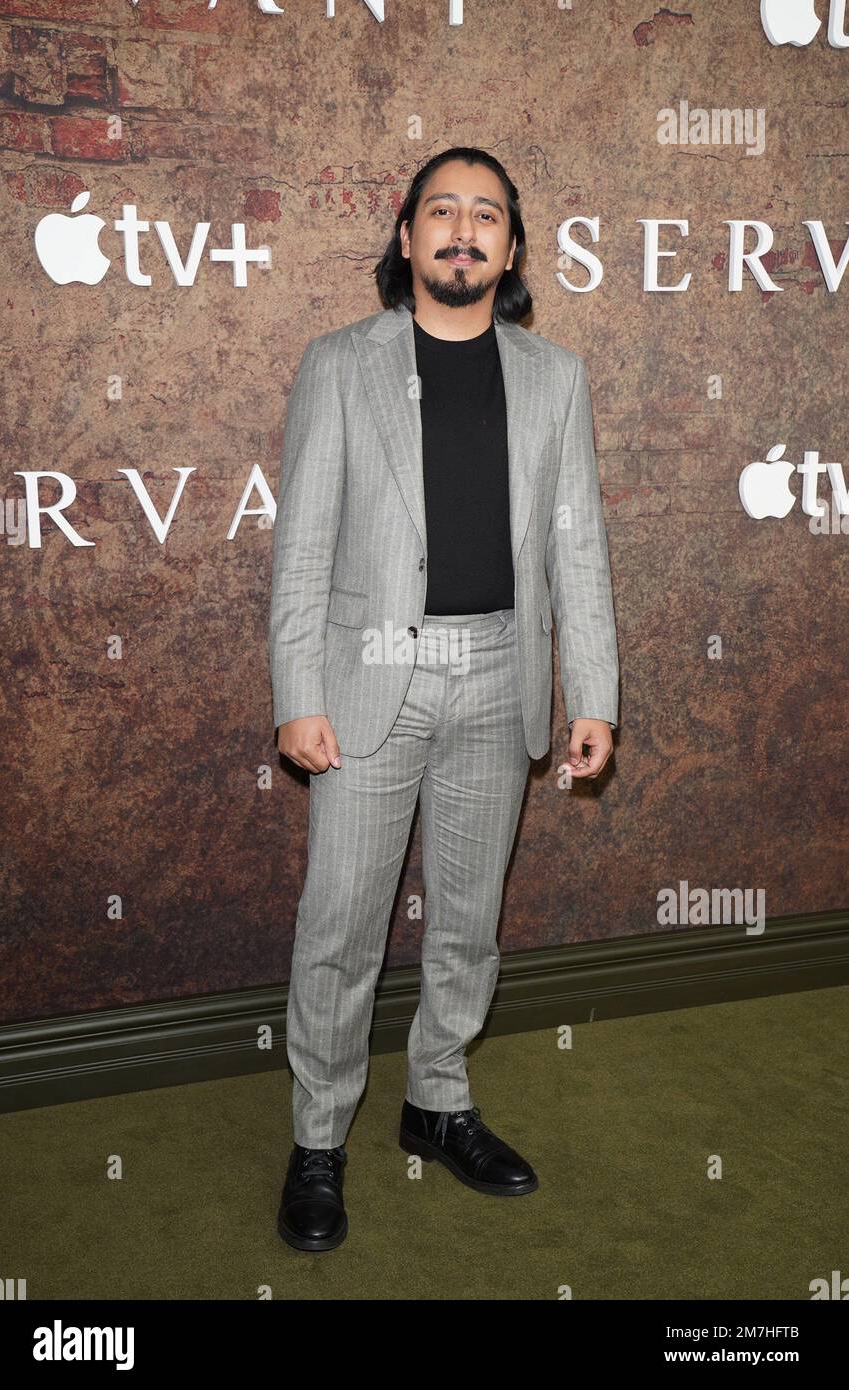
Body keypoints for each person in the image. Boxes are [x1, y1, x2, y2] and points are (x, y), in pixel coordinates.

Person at [268, 146, 620, 1252]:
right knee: (340, 928)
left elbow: (579, 552)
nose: (462, 231)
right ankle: (318, 1135)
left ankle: (436, 1100)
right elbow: (301, 550)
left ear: (511, 247)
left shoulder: (554, 378)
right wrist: (296, 691)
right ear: (407, 234)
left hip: (501, 675)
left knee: (467, 924)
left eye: (486, 216)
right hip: (371, 677)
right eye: (441, 212)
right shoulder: (338, 364)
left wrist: (594, 691)